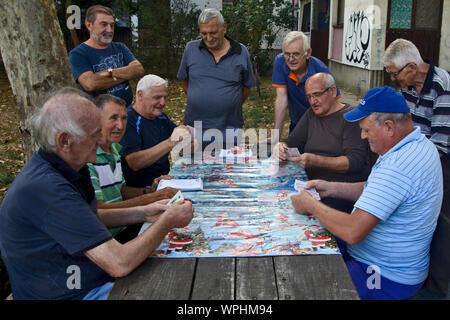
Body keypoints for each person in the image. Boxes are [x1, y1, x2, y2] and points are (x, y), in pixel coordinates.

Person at [0, 89, 194, 300]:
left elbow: (89, 216)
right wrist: (166, 221)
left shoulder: (66, 166)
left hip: (81, 278)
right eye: (94, 134)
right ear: (64, 141)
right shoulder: (48, 187)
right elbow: (119, 263)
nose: (102, 140)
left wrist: (145, 213)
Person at [291, 86, 443, 300]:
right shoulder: (415, 144)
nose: (362, 136)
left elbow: (353, 231)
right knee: (302, 244)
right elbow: (377, 189)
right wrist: (331, 187)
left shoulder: (398, 166)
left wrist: (312, 205)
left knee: (305, 286)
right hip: (384, 260)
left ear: (389, 127)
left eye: (367, 130)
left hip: (385, 276)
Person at [384, 38, 450, 297]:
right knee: (413, 217)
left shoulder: (443, 87)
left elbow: (441, 144)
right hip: (415, 158)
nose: (392, 79)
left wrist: (405, 162)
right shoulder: (408, 86)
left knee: (441, 223)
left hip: (442, 163)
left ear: (412, 67)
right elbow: (406, 129)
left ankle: (437, 287)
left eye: (394, 74)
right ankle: (414, 272)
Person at [274, 73, 371, 213]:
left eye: (317, 95)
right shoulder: (311, 114)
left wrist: (316, 161)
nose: (313, 101)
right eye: (309, 97)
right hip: (312, 186)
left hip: (339, 193)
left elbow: (355, 162)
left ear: (332, 91)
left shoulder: (350, 118)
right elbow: (291, 142)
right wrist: (280, 147)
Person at [88, 94, 178, 240]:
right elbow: (99, 211)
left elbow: (121, 191)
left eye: (124, 118)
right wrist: (150, 198)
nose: (121, 125)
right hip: (106, 240)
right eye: (113, 118)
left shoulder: (114, 149)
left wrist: (149, 190)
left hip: (124, 229)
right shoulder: (88, 158)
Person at [176, 8, 256, 145]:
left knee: (230, 165)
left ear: (224, 27)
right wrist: (199, 99)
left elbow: (247, 87)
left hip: (229, 128)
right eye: (204, 33)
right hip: (195, 127)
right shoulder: (190, 49)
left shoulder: (241, 51)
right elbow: (184, 81)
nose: (208, 38)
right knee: (193, 165)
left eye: (213, 32)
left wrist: (230, 104)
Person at [119, 74, 193, 188]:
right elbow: (134, 163)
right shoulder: (128, 120)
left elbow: (183, 141)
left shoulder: (161, 118)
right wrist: (170, 143)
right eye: (157, 97)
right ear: (140, 95)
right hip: (141, 190)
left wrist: (188, 138)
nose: (163, 103)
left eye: (165, 97)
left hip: (165, 181)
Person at [69, 5, 144, 106]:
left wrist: (109, 73)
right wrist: (126, 75)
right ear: (89, 25)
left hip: (127, 112)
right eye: (104, 24)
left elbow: (138, 70)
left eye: (112, 25)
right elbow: (90, 83)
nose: (109, 30)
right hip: (99, 116)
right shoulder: (78, 54)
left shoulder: (120, 47)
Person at [272, 31, 341, 136]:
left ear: (308, 53)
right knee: (291, 151)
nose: (290, 59)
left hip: (321, 126)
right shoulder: (280, 62)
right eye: (287, 54)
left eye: (296, 54)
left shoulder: (320, 71)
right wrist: (275, 136)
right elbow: (281, 100)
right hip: (297, 123)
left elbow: (336, 105)